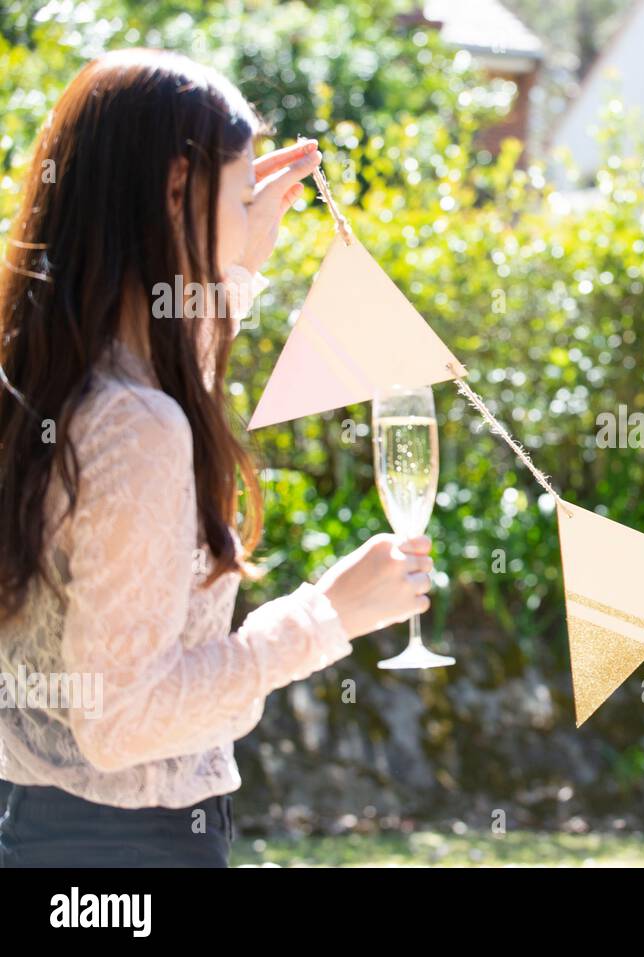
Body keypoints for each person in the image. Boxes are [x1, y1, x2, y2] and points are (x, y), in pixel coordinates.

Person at [0, 49, 434, 867]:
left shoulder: (55, 378)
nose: (253, 212)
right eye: (240, 196)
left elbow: (147, 373)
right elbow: (122, 719)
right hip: (127, 854)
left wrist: (226, 264)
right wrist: (325, 616)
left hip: (49, 837)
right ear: (175, 192)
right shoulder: (137, 427)